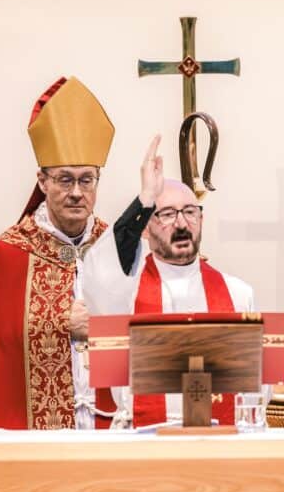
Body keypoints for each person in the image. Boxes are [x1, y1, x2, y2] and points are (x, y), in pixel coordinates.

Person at [0, 76, 117, 430]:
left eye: (86, 180)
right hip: (35, 437)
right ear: (42, 182)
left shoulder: (116, 248)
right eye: (64, 179)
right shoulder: (8, 254)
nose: (76, 192)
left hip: (111, 427)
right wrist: (60, 323)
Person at [82, 136, 255, 426]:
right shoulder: (124, 293)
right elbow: (98, 271)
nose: (182, 223)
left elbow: (254, 388)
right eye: (167, 214)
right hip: (142, 444)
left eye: (190, 212)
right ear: (145, 230)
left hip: (218, 445)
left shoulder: (239, 294)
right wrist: (145, 199)